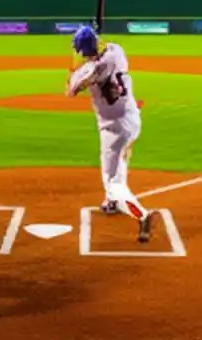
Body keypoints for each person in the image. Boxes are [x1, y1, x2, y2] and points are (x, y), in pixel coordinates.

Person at [65, 25, 157, 243]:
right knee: (121, 159)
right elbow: (103, 54)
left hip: (113, 128)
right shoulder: (116, 50)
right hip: (132, 116)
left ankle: (142, 216)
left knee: (112, 182)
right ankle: (112, 202)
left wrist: (74, 69)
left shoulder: (88, 71)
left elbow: (70, 90)